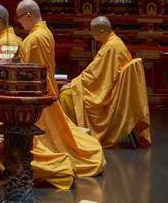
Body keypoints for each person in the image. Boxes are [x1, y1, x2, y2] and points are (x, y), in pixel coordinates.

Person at [15, 0, 106, 189]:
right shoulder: (45, 33)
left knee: (47, 136)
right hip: (49, 90)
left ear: (29, 16)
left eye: (20, 18)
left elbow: (29, 73)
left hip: (38, 96)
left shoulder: (33, 40)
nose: (19, 23)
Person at [58, 16, 151, 148]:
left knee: (66, 95)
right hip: (113, 90)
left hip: (109, 96)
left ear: (101, 31)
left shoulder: (111, 47)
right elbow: (98, 72)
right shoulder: (114, 43)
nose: (91, 34)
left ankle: (76, 138)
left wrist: (73, 84)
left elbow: (95, 75)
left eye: (92, 31)